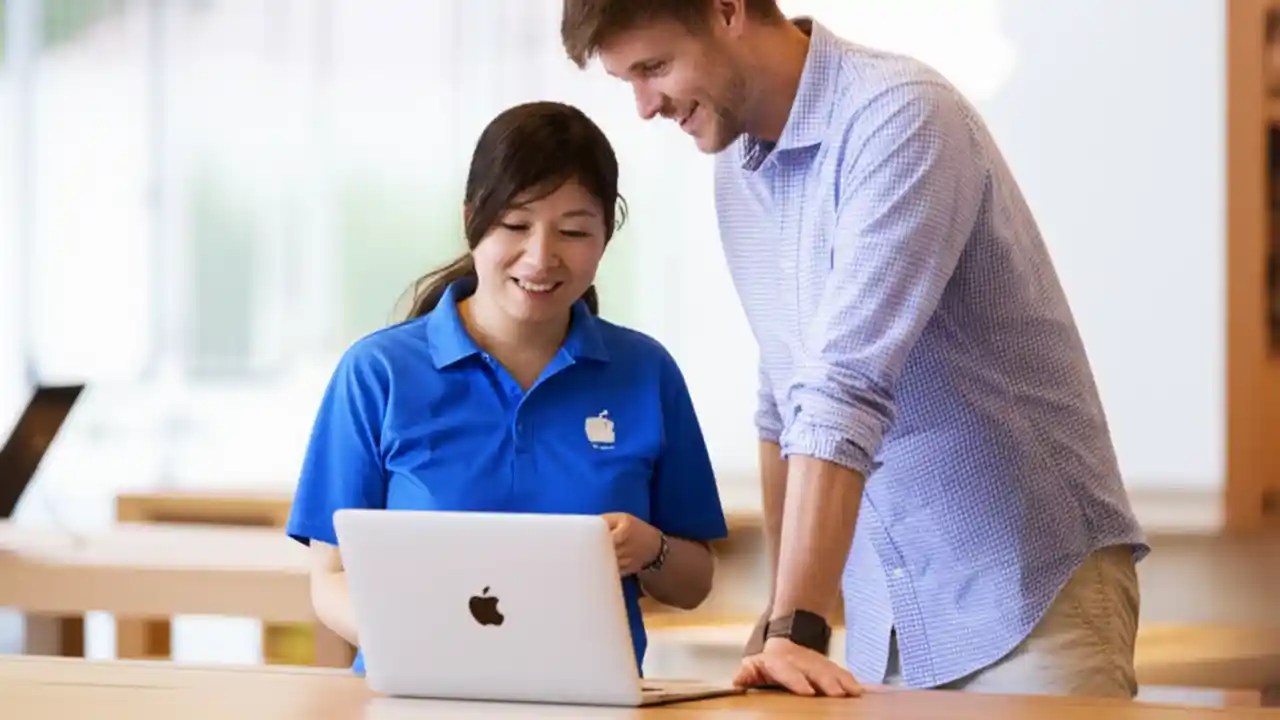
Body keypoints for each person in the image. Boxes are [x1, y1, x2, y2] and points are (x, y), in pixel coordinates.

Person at [560, 0, 1148, 701]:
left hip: (1022, 596)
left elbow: (845, 387)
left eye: (654, 68)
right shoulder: (737, 172)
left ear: (726, 11)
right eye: (628, 80)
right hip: (888, 621)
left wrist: (798, 626)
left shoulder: (899, 117)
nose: (645, 107)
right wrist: (781, 614)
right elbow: (785, 400)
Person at [284, 100, 729, 676]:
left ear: (605, 235)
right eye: (516, 226)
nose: (541, 258)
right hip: (415, 700)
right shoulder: (378, 373)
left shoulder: (645, 372)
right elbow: (331, 581)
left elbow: (694, 583)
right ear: (473, 219)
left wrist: (650, 549)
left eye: (573, 231)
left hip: (592, 706)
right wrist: (440, 647)